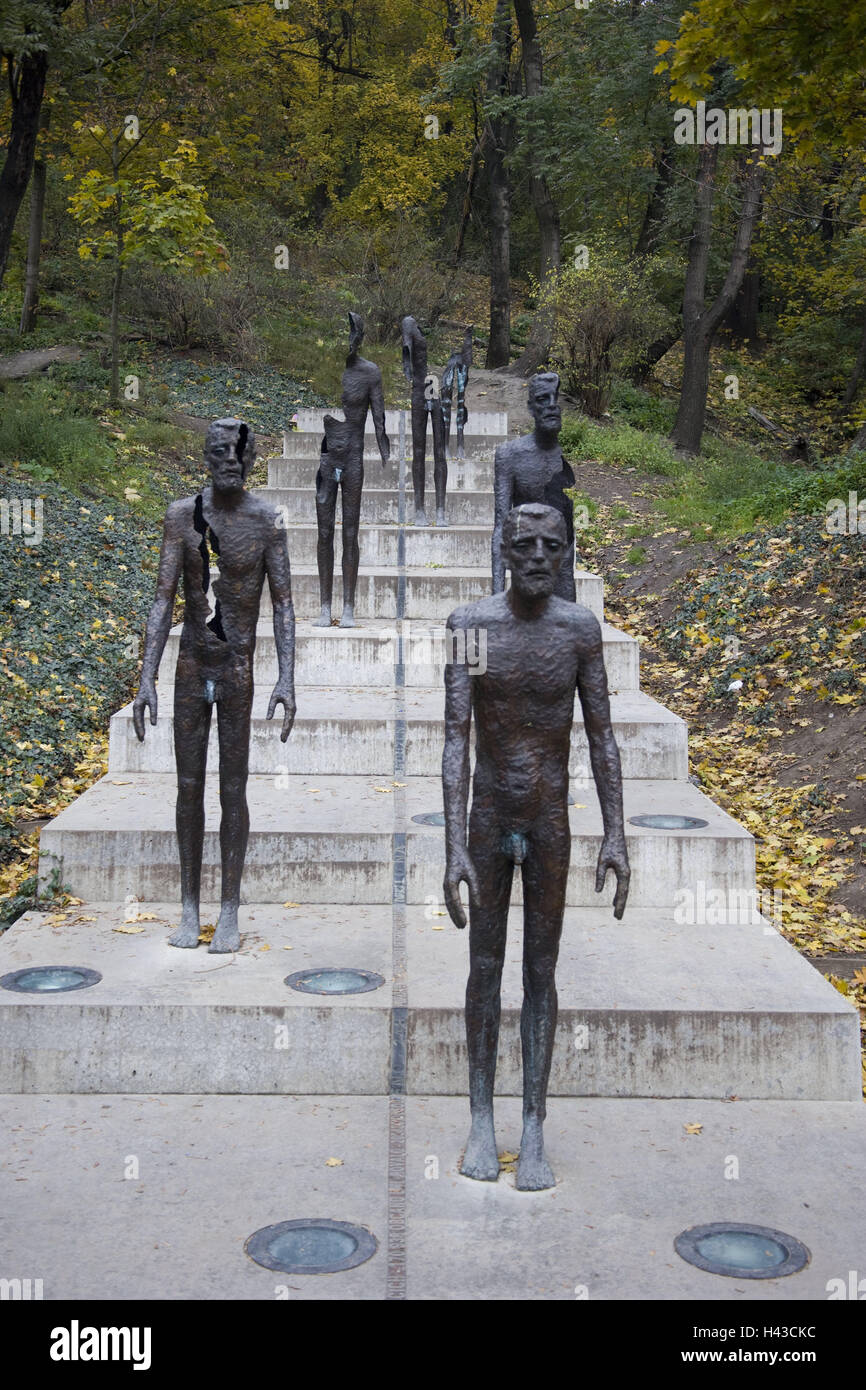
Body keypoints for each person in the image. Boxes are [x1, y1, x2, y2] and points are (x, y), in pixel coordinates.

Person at [443, 503, 629, 1189]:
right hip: (489, 816)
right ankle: (481, 1118)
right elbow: (454, 736)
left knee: (541, 973)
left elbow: (603, 735)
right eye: (526, 544)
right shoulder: (470, 626)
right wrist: (453, 844)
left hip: (550, 818)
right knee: (485, 966)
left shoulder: (579, 631)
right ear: (503, 547)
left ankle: (534, 1124)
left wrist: (615, 831)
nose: (540, 556)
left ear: (567, 551)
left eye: (554, 545)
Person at [133, 418, 296, 953]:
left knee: (231, 790)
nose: (231, 459)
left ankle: (229, 908)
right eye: (220, 450)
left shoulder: (268, 520)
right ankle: (188, 906)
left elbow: (284, 603)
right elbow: (162, 600)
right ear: (206, 455)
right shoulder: (181, 516)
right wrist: (146, 676)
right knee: (187, 788)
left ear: (251, 460)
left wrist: (288, 677)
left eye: (240, 452)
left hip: (237, 671)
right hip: (190, 668)